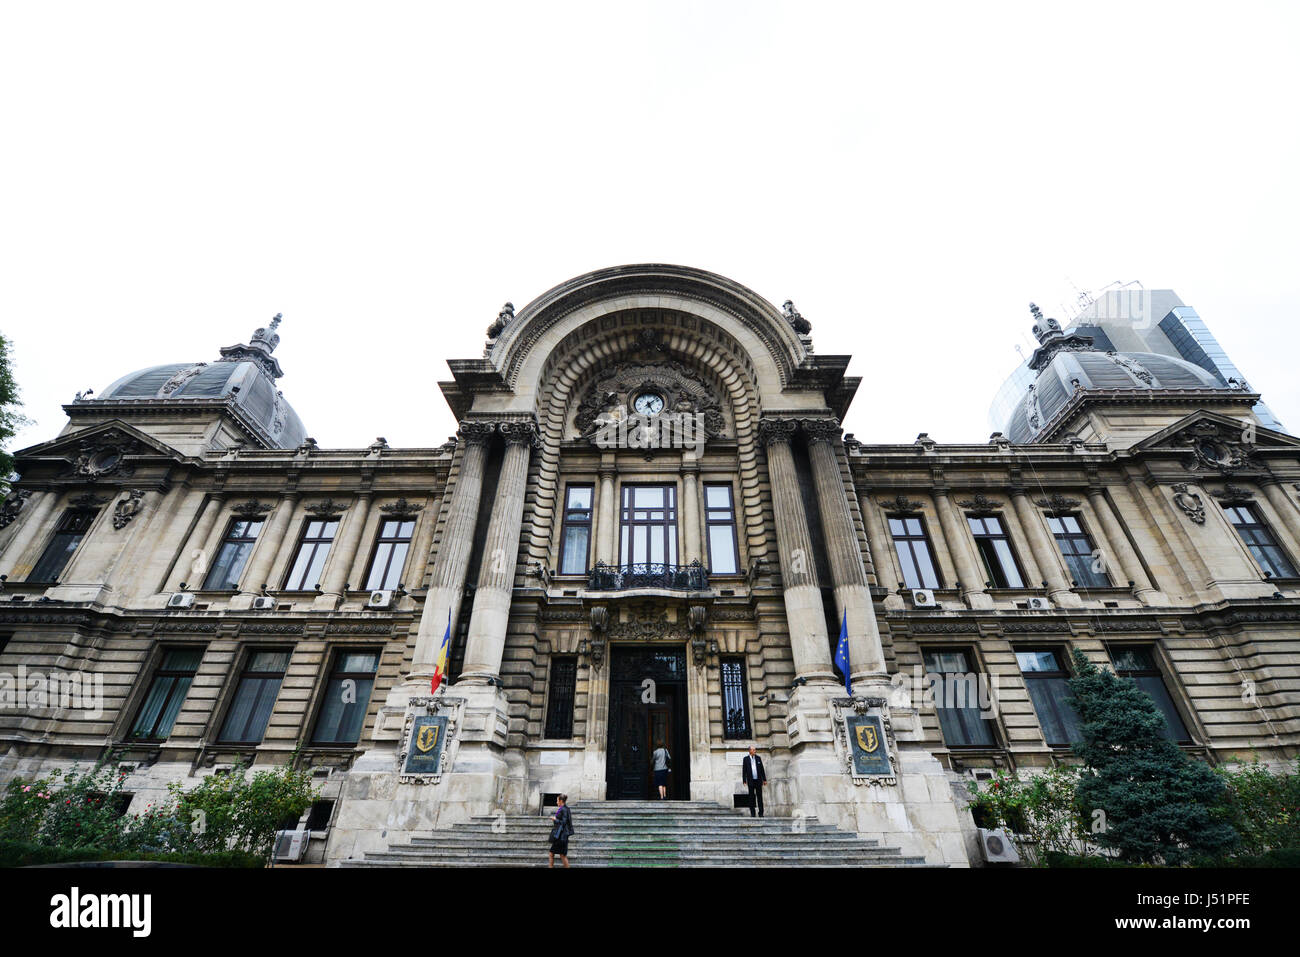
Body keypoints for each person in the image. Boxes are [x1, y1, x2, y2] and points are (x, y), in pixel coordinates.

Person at [549, 793, 574, 868]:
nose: (556, 802)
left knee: (559, 855)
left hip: (561, 836)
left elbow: (563, 822)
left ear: (561, 801)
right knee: (559, 855)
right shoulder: (563, 809)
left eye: (557, 800)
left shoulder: (564, 809)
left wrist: (555, 819)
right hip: (560, 835)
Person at [742, 745, 766, 818]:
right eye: (753, 750)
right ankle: (753, 813)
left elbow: (762, 769)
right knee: (751, 797)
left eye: (755, 750)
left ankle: (761, 813)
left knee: (760, 797)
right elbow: (744, 770)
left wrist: (764, 779)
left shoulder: (758, 758)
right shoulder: (745, 759)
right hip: (750, 781)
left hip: (758, 781)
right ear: (749, 751)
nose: (755, 751)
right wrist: (744, 780)